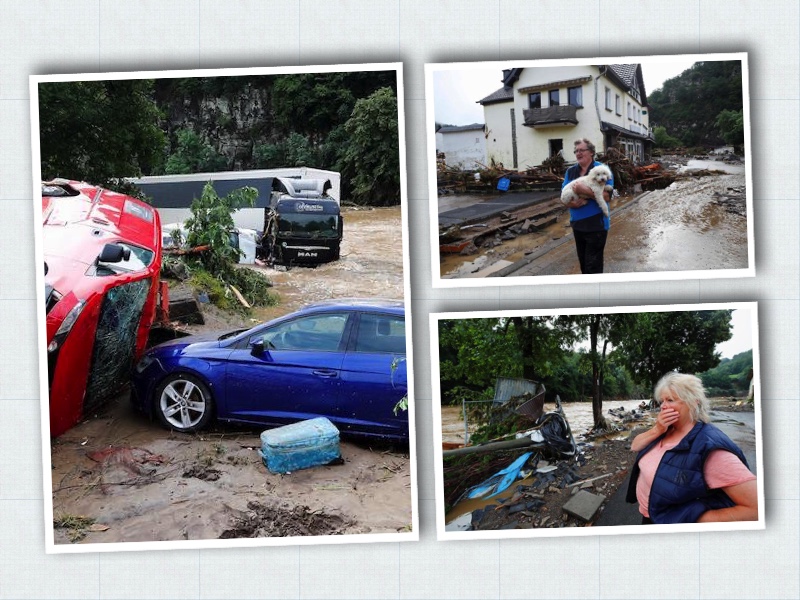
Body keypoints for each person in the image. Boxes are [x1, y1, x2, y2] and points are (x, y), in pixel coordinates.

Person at [626, 372, 758, 524]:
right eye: (662, 401)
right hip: (651, 515)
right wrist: (657, 429)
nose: (663, 406)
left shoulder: (711, 449)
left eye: (670, 400)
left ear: (693, 402)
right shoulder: (666, 429)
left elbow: (756, 509)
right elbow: (635, 446)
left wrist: (690, 520)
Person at [562, 138, 613, 274]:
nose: (578, 153)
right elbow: (563, 197)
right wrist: (571, 203)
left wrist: (584, 191)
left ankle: (596, 294)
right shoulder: (570, 171)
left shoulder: (602, 170)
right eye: (576, 151)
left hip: (596, 225)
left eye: (581, 150)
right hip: (577, 225)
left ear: (591, 152)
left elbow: (607, 196)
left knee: (593, 267)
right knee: (584, 265)